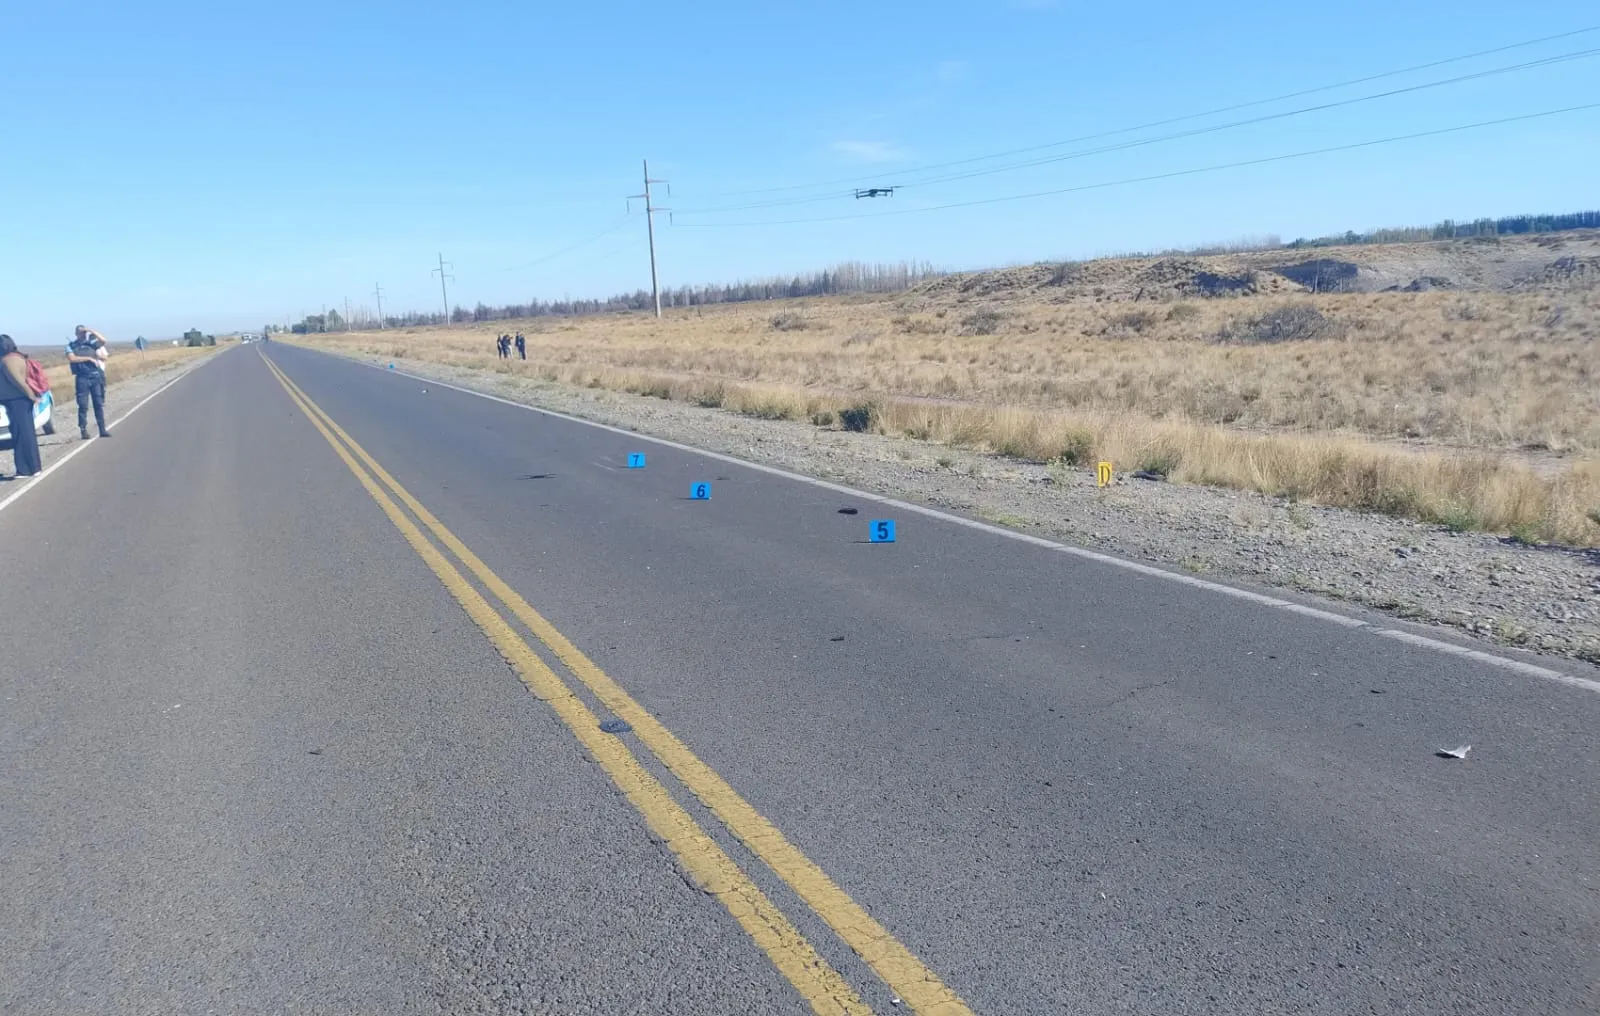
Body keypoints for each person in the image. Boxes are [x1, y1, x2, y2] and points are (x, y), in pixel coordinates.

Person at [0, 334, 42, 479]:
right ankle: (27, 468)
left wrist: (31, 396)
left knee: (23, 435)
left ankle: (29, 468)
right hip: (19, 401)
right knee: (23, 433)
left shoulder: (7, 361)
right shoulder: (18, 357)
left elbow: (18, 382)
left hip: (18, 400)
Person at [66, 325, 111, 439]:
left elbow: (103, 340)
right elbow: (72, 358)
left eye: (84, 333)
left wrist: (91, 330)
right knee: (83, 405)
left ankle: (102, 429)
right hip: (82, 378)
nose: (83, 335)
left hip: (95, 376)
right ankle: (83, 430)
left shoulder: (91, 344)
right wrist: (89, 358)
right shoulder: (71, 346)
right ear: (76, 333)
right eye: (81, 332)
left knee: (98, 403)